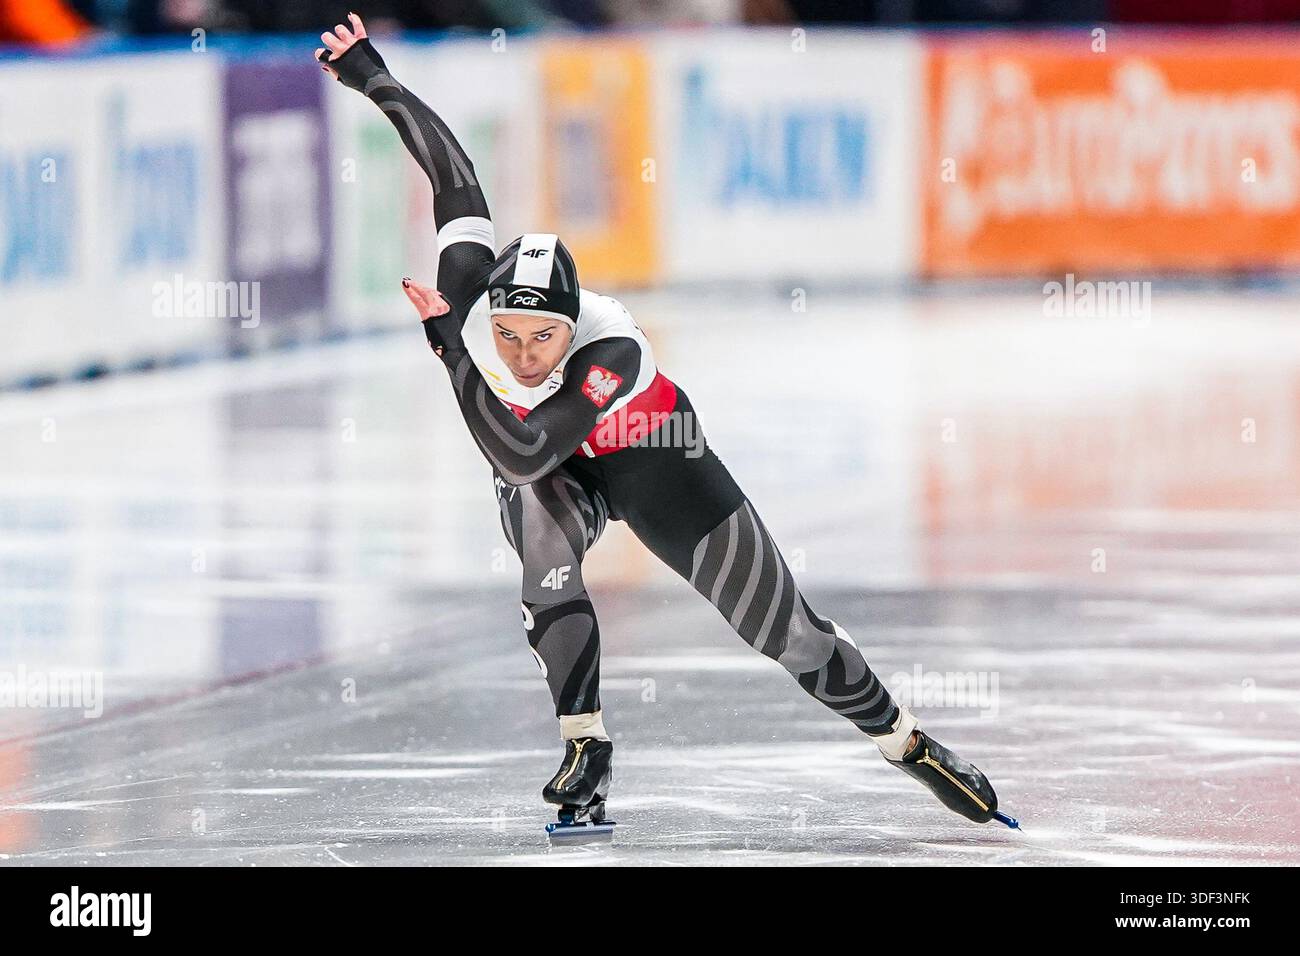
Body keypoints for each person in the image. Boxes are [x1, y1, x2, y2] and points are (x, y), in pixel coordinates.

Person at [316, 13, 1011, 831]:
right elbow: (455, 172)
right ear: (488, 311)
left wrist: (457, 358)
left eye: (546, 339)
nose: (527, 353)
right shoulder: (468, 296)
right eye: (511, 336)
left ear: (575, 329)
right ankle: (586, 745)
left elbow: (526, 442)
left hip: (656, 455)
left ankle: (906, 741)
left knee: (791, 638)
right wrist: (374, 76)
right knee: (539, 531)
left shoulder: (611, 351)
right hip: (560, 469)